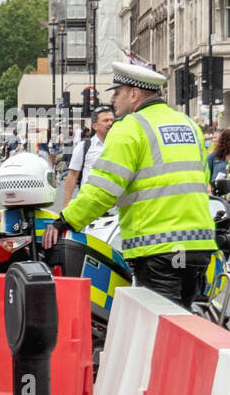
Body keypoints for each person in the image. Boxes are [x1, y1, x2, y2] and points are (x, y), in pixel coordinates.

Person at [43, 61, 217, 309]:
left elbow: (103, 189)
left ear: (134, 93)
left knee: (162, 326)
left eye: (117, 92)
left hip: (160, 248)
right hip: (197, 245)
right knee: (182, 321)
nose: (113, 100)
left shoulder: (130, 127)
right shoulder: (189, 125)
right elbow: (201, 177)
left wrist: (65, 220)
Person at [62, 106, 114, 203]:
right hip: (89, 203)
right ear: (95, 126)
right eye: (105, 120)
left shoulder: (120, 145)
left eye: (112, 120)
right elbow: (73, 175)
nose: (110, 123)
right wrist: (66, 203)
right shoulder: (84, 146)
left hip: (115, 205)